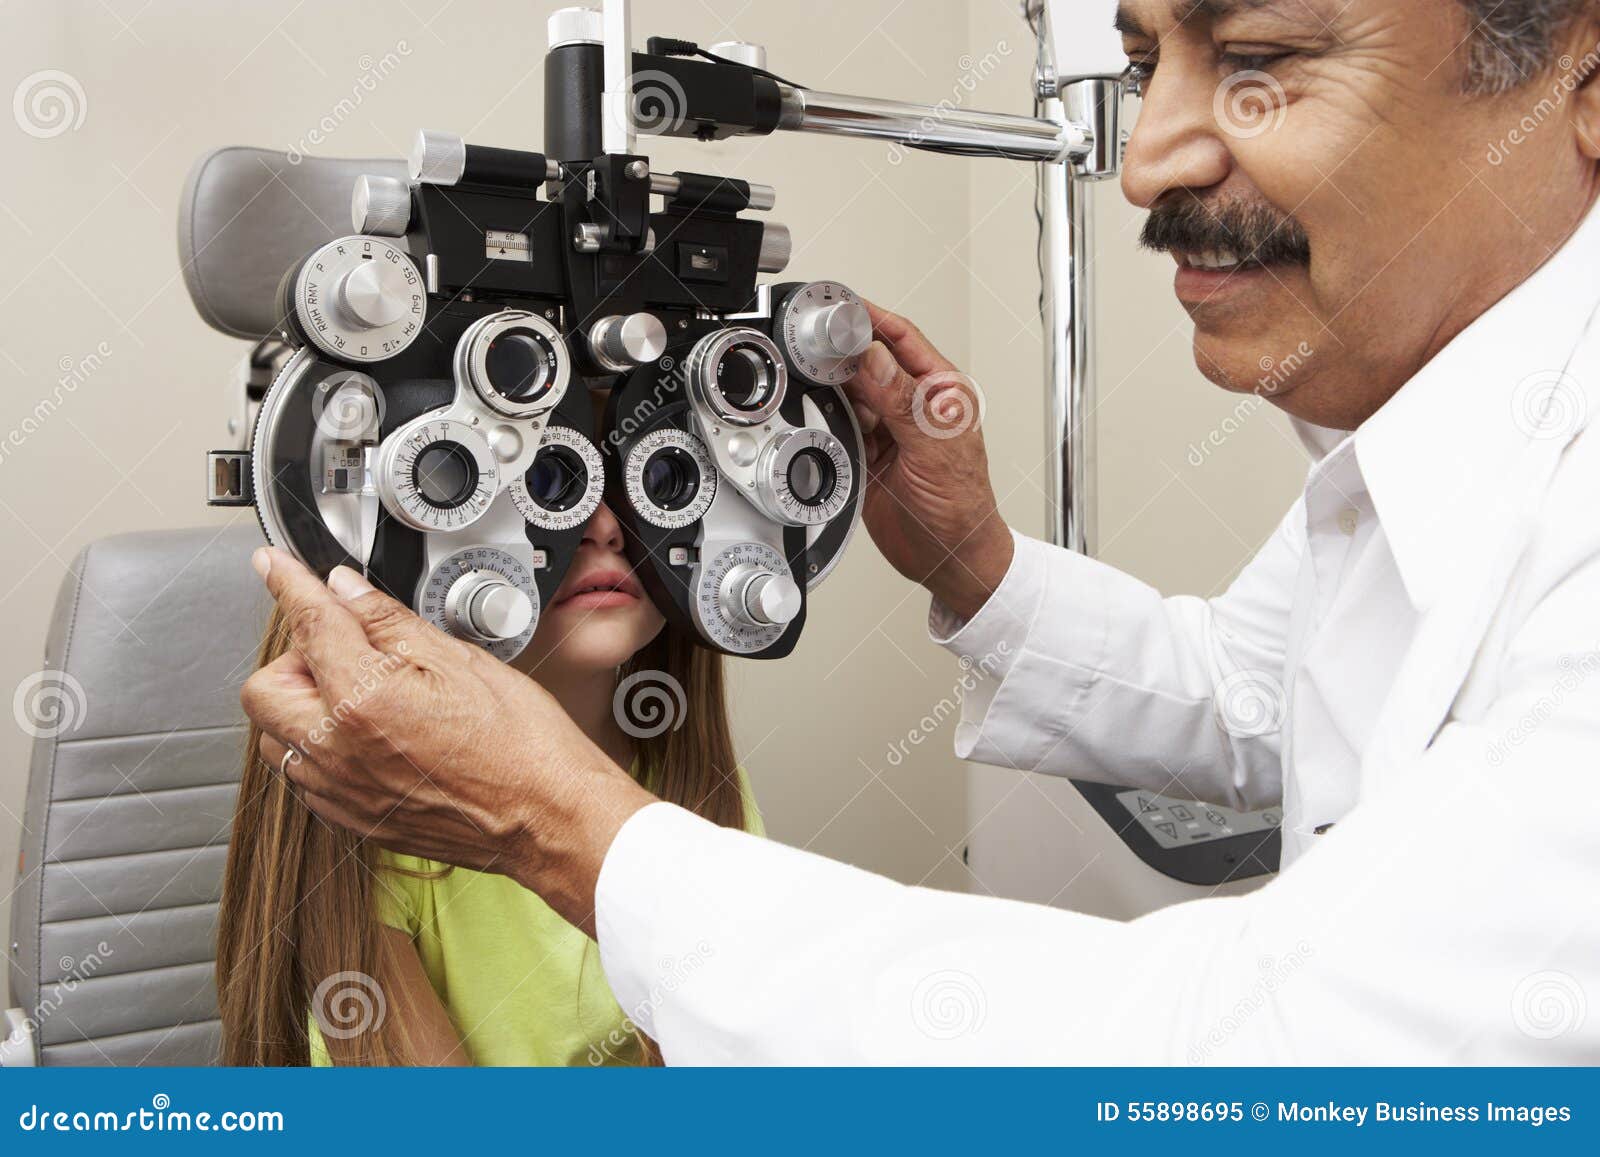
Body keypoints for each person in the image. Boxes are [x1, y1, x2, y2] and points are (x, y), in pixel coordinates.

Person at [240, 0, 1600, 1062]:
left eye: (1260, 58)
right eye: (1142, 68)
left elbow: (1270, 1057)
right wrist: (973, 560)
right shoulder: (1428, 446)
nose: (1141, 164)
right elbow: (1256, 693)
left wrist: (561, 825)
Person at [216, 498, 762, 1066]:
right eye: (546, 485)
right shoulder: (383, 808)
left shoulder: (695, 788)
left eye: (648, 483)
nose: (604, 527)